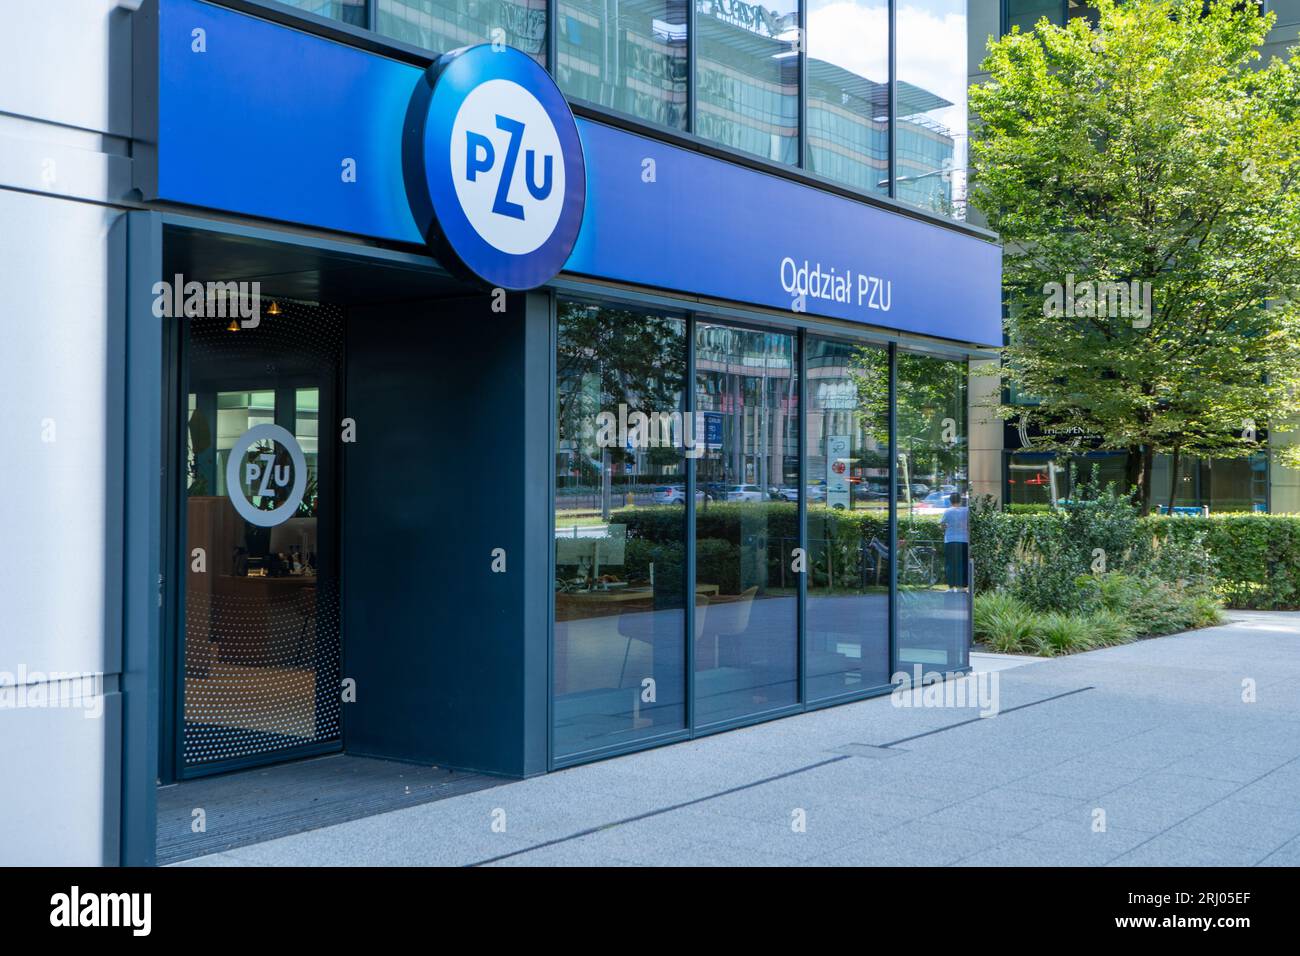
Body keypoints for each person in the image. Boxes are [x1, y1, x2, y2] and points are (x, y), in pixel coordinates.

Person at [939, 492, 969, 591]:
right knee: (964, 563)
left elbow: (942, 525)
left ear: (950, 501)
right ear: (960, 500)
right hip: (964, 540)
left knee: (951, 564)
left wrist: (946, 527)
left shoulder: (947, 512)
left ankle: (952, 587)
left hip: (950, 540)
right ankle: (963, 587)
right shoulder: (966, 511)